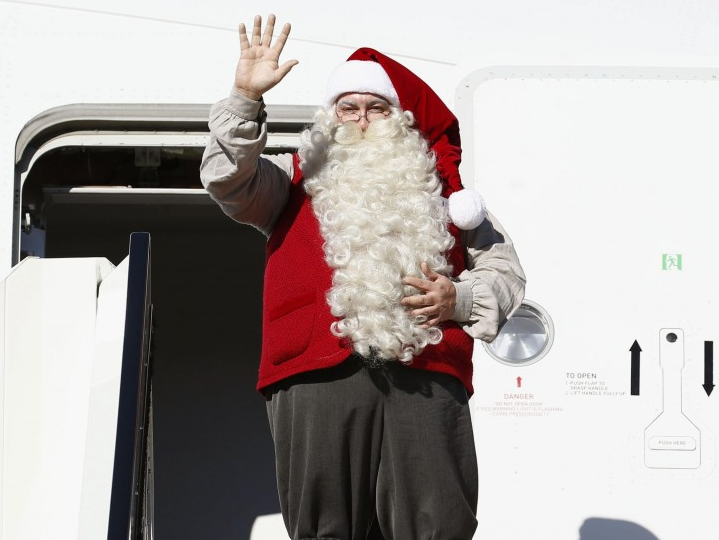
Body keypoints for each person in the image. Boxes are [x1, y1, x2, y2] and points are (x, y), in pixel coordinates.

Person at [200, 14, 526, 540]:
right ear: (331, 118)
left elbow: (505, 272)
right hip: (313, 372)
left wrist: (461, 298)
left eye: (377, 108)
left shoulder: (452, 198)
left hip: (426, 372)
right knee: (323, 526)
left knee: (437, 524)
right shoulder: (291, 180)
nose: (361, 119)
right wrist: (243, 97)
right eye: (347, 108)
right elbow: (226, 180)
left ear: (402, 118)